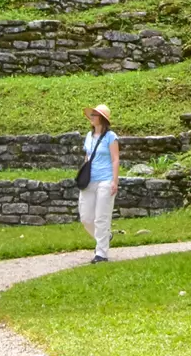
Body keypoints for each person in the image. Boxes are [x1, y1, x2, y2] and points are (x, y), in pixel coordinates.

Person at [77, 104, 119, 263]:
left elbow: (115, 159)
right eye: (92, 114)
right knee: (86, 217)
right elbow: (87, 156)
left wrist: (114, 181)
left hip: (105, 179)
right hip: (90, 180)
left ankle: (101, 253)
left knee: (101, 217)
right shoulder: (88, 135)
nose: (92, 117)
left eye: (95, 115)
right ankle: (105, 237)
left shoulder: (111, 137)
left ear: (102, 119)